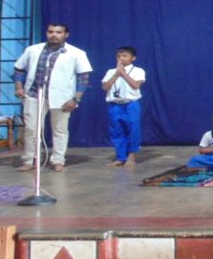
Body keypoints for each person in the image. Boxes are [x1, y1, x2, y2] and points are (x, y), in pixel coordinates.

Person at [13, 23, 92, 173]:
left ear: (66, 35)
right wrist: (18, 87)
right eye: (50, 32)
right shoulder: (33, 50)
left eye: (58, 32)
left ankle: (58, 160)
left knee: (60, 130)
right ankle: (30, 160)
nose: (53, 35)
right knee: (31, 129)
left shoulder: (76, 53)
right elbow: (19, 68)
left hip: (62, 98)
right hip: (34, 95)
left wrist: (76, 99)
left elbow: (84, 78)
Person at [101, 46, 146, 168]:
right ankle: (120, 157)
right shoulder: (110, 71)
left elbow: (135, 85)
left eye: (124, 56)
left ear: (133, 58)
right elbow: (105, 87)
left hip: (131, 104)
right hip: (115, 105)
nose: (121, 58)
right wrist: (116, 73)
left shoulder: (138, 70)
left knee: (133, 129)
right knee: (117, 131)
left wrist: (123, 73)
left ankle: (131, 156)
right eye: (118, 56)